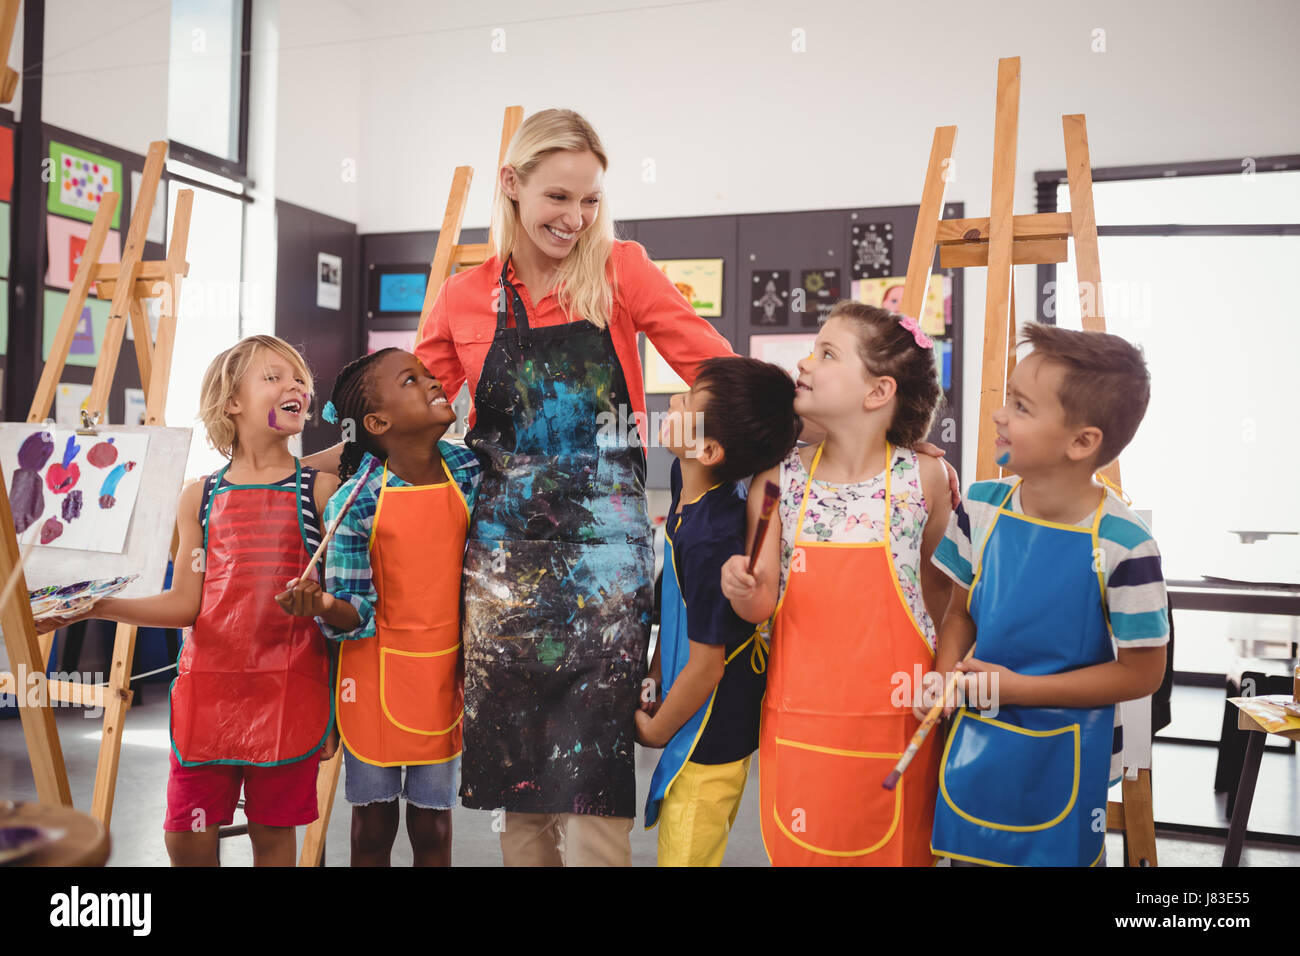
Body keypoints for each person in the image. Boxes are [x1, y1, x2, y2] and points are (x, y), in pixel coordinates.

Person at [411, 108, 738, 867]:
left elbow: (719, 374)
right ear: (512, 186)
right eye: (559, 197)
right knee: (518, 789)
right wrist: (328, 457)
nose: (576, 217)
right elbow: (409, 411)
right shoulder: (465, 296)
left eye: (590, 200)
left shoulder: (621, 268)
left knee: (594, 784)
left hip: (606, 570)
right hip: (501, 569)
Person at [49, 335, 338, 866]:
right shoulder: (199, 496)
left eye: (299, 378)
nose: (294, 385)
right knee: (186, 836)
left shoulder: (320, 491)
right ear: (232, 401)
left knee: (272, 838)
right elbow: (186, 604)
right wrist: (96, 606)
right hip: (207, 698)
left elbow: (343, 611)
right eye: (273, 377)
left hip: (289, 697)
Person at [928, 323, 1168, 867]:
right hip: (978, 735)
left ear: (1082, 442)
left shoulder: (1126, 546)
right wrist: (946, 676)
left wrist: (1016, 688)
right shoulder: (980, 508)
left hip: (1068, 753)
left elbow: (1142, 674)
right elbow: (959, 614)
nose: (999, 415)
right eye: (1007, 399)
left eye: (1021, 407)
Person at [723, 302, 954, 866]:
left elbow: (945, 598)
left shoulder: (924, 479)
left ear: (878, 392)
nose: (805, 361)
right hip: (801, 722)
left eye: (827, 353)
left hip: (902, 723)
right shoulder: (779, 480)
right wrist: (743, 587)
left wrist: (945, 679)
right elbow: (761, 606)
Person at [277, 349, 481, 866]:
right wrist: (322, 604)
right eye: (413, 380)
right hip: (373, 681)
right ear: (377, 422)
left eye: (429, 374)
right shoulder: (356, 501)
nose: (435, 381)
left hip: (441, 676)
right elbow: (354, 610)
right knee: (372, 828)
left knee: (434, 826)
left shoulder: (469, 469)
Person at [636, 356, 802, 866]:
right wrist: (655, 672)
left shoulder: (713, 538)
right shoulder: (686, 479)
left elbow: (708, 664)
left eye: (687, 402)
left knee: (686, 849)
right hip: (692, 703)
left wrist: (654, 731)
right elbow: (676, 600)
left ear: (709, 448)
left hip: (711, 730)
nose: (674, 401)